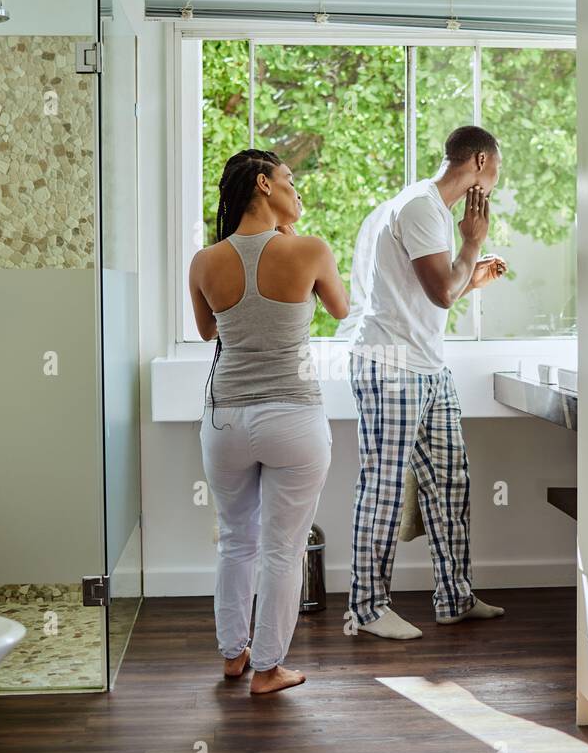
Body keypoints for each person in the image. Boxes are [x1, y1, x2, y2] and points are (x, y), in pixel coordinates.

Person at [189, 149, 349, 692]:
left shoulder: (205, 261)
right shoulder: (309, 250)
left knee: (236, 539)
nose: (297, 192)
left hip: (226, 420)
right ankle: (268, 670)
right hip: (293, 419)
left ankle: (234, 655)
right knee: (284, 547)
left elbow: (209, 331)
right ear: (264, 184)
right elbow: (342, 309)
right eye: (290, 181)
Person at [347, 126, 509, 640]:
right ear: (481, 160)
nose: (499, 177)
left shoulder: (434, 211)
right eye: (498, 166)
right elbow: (441, 292)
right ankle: (367, 609)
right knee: (385, 489)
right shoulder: (421, 206)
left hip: (428, 367)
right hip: (392, 367)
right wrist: (472, 244)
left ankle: (454, 597)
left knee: (450, 483)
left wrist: (470, 274)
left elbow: (434, 293)